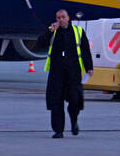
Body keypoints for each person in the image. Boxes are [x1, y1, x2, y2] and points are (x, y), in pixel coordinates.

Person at [40, 9, 93, 138]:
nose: (60, 20)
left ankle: (74, 121)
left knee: (75, 101)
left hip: (73, 72)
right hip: (56, 73)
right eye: (58, 18)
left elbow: (85, 50)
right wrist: (50, 31)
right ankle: (59, 130)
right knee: (56, 102)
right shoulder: (52, 31)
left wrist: (89, 67)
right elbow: (40, 43)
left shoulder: (78, 31)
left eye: (63, 17)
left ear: (68, 18)